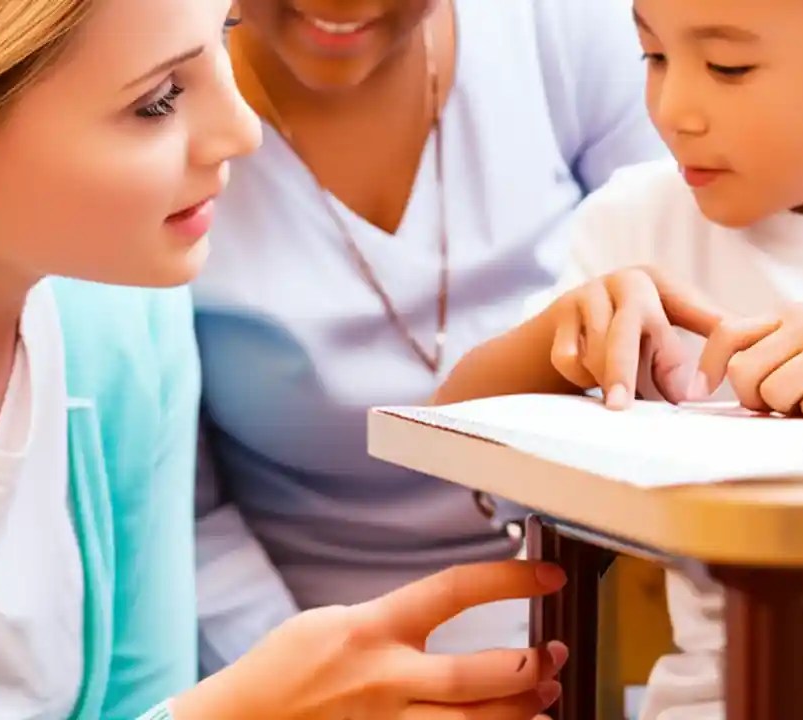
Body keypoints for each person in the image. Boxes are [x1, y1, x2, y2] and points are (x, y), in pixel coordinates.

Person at [0, 0, 571, 718]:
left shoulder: (123, 321)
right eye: (160, 99)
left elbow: (142, 694)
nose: (242, 130)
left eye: (225, 32)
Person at [434, 0, 803, 717]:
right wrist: (557, 341)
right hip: (738, 689)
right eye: (654, 56)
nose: (673, 109)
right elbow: (448, 431)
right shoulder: (640, 224)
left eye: (728, 67)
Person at [192, 0, 665, 671]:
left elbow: (690, 287)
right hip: (294, 651)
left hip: (598, 621)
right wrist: (320, 688)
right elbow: (176, 515)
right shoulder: (159, 100)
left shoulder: (567, 29)